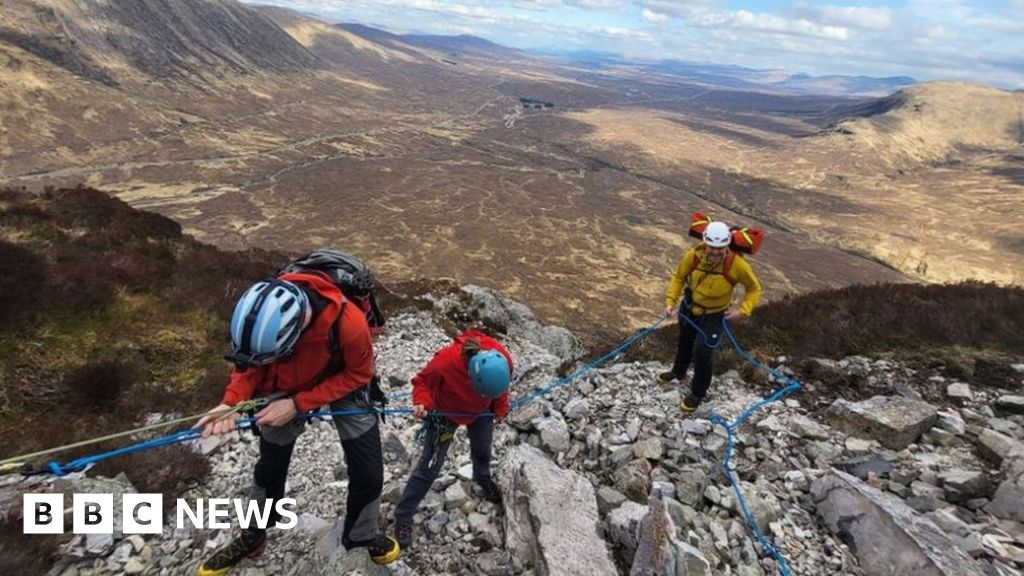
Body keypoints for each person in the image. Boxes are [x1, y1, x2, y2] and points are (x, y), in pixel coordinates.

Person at [195, 272, 399, 576]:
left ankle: (361, 534)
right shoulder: (263, 322)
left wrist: (297, 404)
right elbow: (250, 364)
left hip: (344, 380)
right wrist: (232, 402)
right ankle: (254, 534)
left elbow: (359, 374)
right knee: (270, 465)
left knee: (368, 470)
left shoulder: (349, 323)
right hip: (288, 382)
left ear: (296, 332)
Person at [391, 330, 512, 549]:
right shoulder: (445, 362)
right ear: (471, 377)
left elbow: (500, 390)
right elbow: (422, 382)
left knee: (483, 451)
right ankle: (403, 514)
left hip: (481, 412)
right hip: (444, 412)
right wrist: (422, 402)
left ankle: (482, 479)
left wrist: (500, 409)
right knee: (430, 466)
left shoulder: (501, 360)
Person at [659, 221, 762, 412]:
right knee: (685, 340)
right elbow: (679, 277)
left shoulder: (737, 265)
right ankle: (678, 372)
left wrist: (744, 310)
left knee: (703, 353)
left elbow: (754, 289)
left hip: (715, 314)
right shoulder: (693, 256)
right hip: (689, 307)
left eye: (719, 248)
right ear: (705, 243)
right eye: (711, 247)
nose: (715, 252)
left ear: (726, 246)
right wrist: (670, 302)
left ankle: (697, 393)